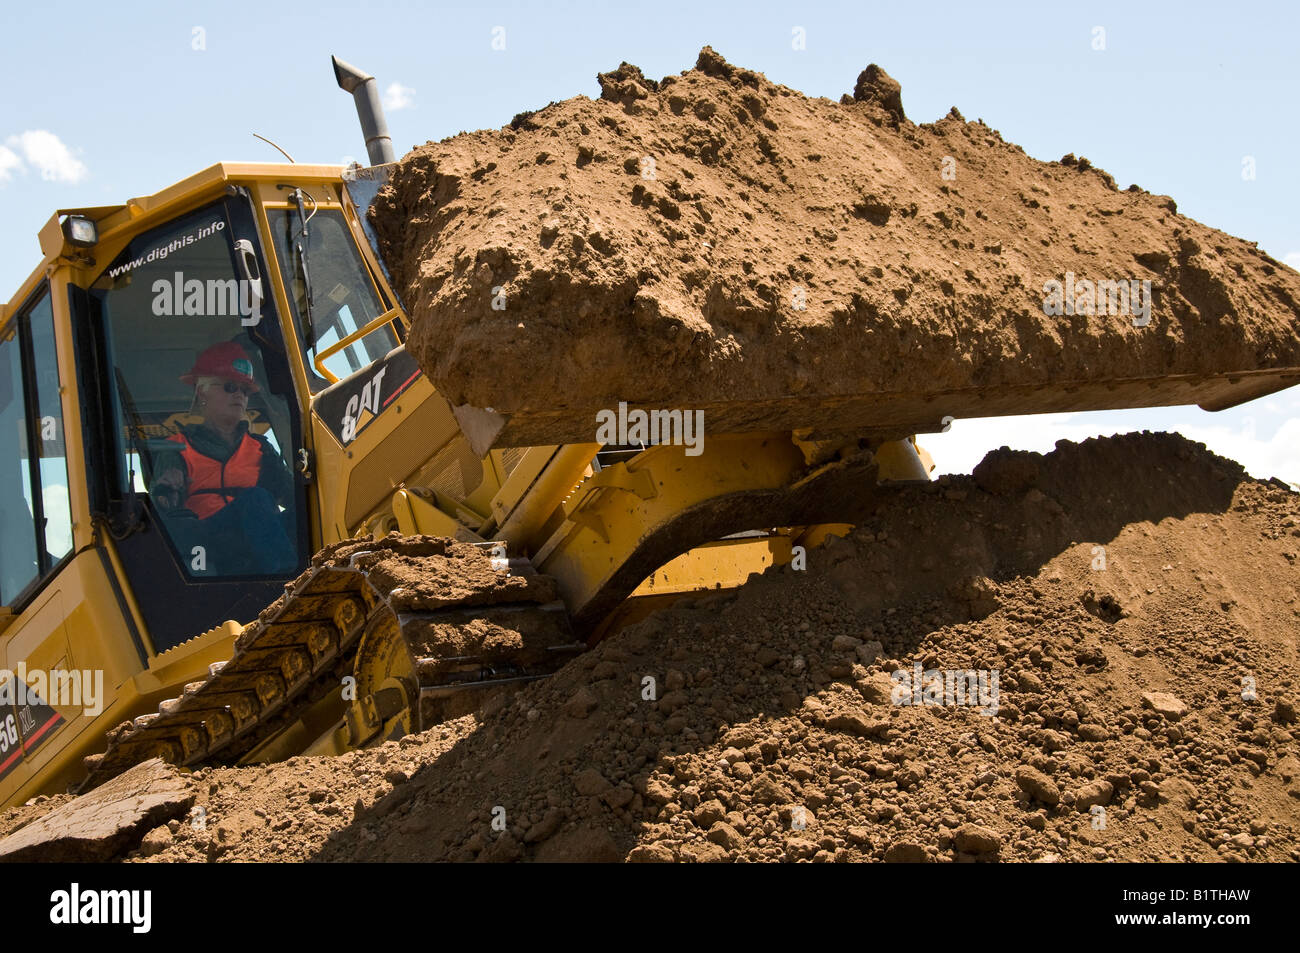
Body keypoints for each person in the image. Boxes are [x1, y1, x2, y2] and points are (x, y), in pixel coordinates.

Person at [151, 341, 297, 575]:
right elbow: (163, 503)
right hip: (208, 540)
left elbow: (295, 497)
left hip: (256, 538)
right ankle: (286, 579)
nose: (239, 395)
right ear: (202, 392)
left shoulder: (260, 448)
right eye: (230, 387)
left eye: (245, 390)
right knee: (256, 498)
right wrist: (168, 488)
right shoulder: (178, 447)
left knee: (304, 514)